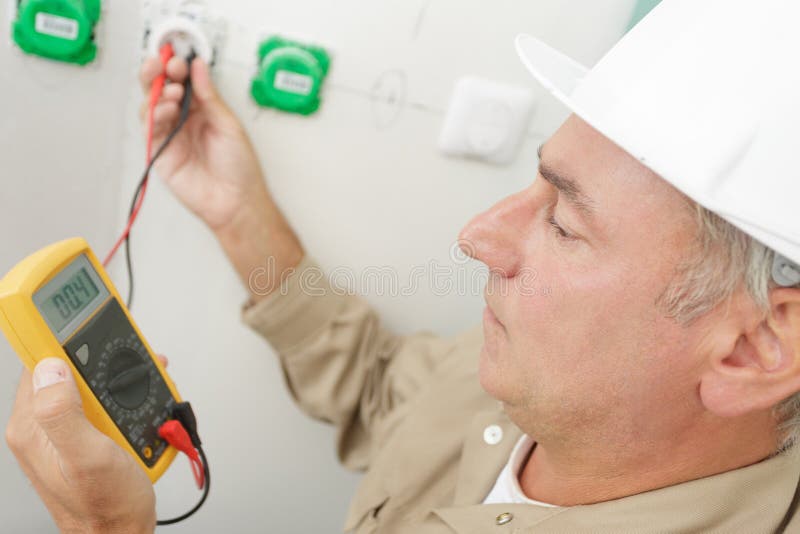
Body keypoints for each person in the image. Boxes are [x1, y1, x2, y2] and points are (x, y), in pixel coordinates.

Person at [6, 1, 800, 532]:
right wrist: (236, 211)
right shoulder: (536, 377)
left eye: (563, 220)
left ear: (755, 347)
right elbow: (382, 384)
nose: (479, 236)